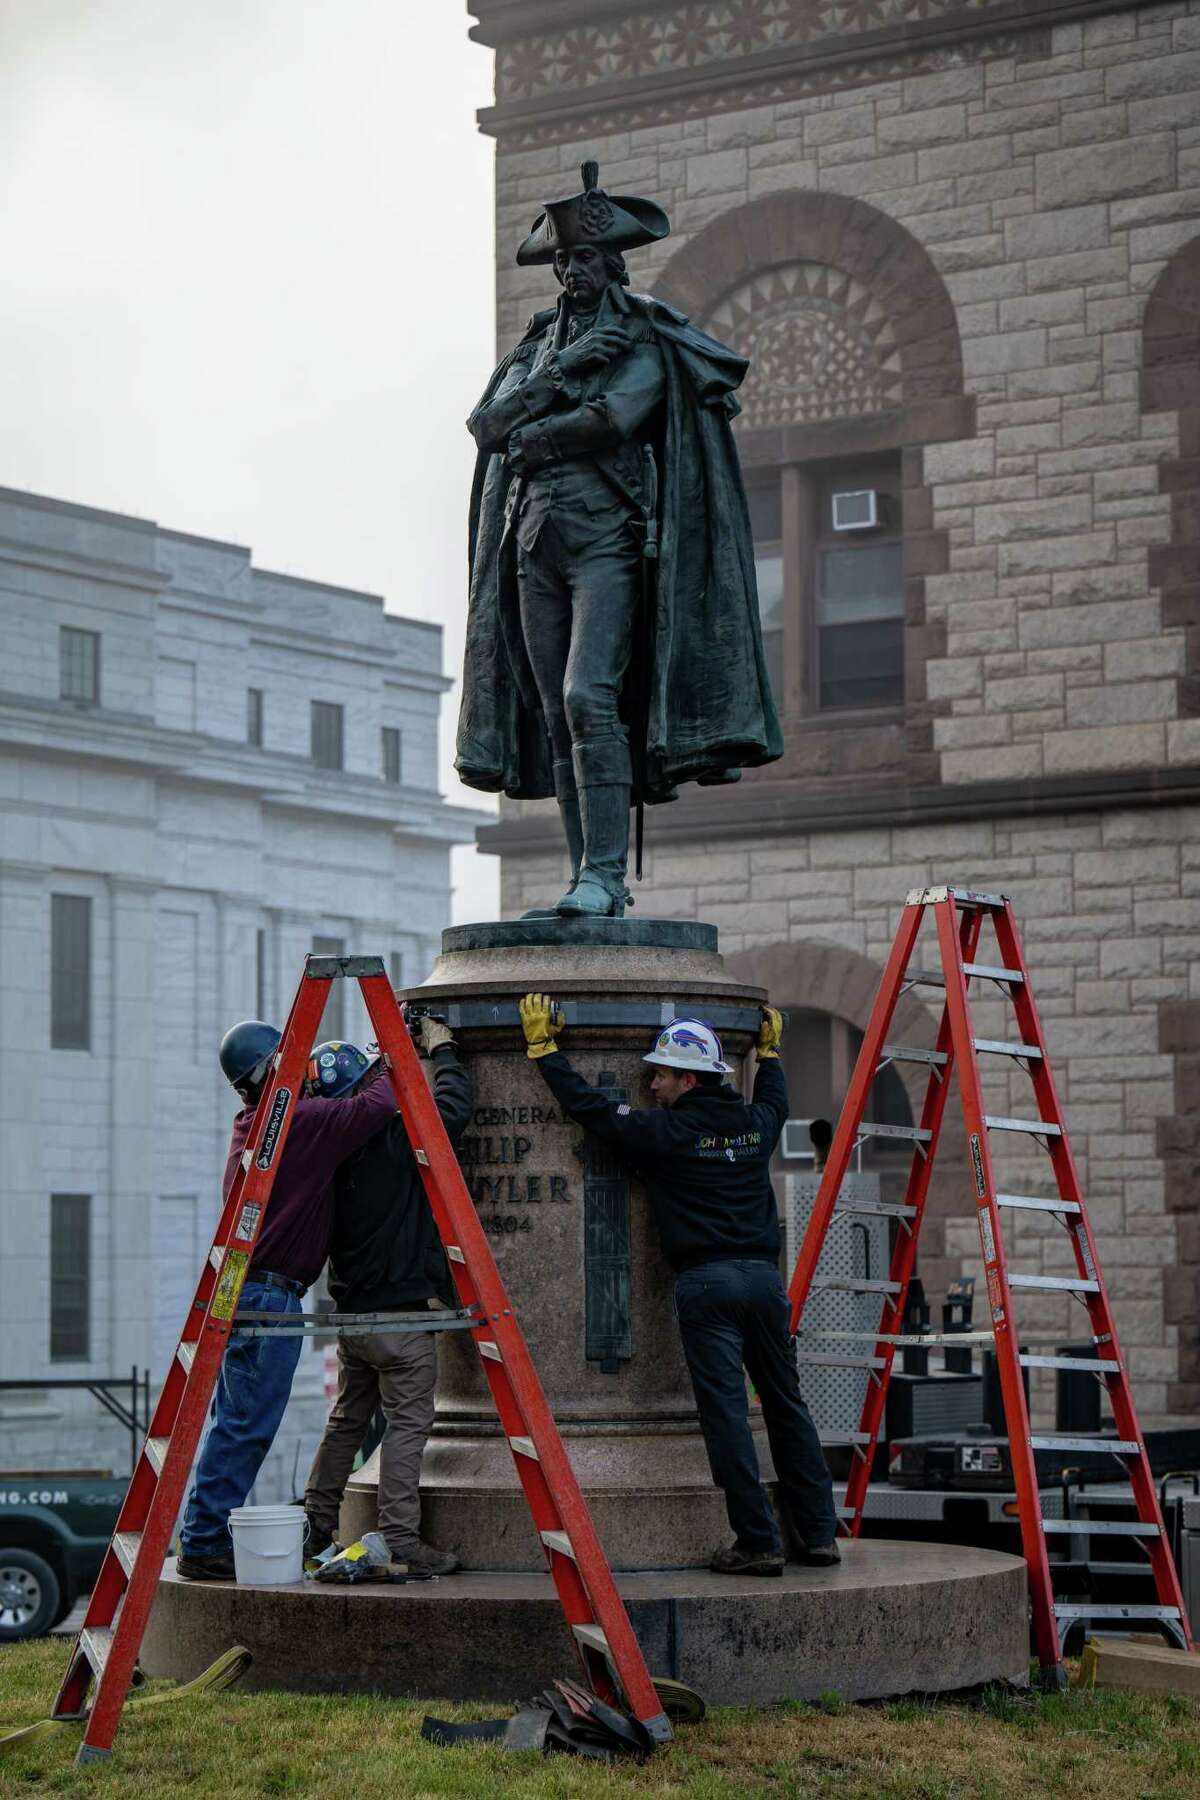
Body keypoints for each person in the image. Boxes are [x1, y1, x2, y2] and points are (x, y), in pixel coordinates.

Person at [457, 159, 782, 919]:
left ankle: (606, 874)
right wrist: (562, 375)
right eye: (564, 259)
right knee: (551, 714)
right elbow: (487, 427)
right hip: (534, 547)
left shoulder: (640, 335)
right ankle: (583, 876)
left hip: (607, 540)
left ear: (612, 265)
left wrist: (537, 435)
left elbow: (618, 419)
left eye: (586, 259)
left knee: (586, 696)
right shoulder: (543, 348)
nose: (572, 270)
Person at [517, 992, 839, 1577]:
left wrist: (545, 1051)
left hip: (707, 1286)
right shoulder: (752, 1127)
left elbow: (591, 1110)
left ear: (690, 1081)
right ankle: (818, 1535)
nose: (652, 1084)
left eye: (661, 1074)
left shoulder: (664, 1133)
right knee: (788, 1407)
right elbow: (774, 1099)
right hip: (765, 1283)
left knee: (727, 1418)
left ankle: (759, 1542)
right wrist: (769, 1055)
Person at [177, 1019, 399, 1581]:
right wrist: (389, 1058)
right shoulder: (295, 1123)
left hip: (242, 1285)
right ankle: (204, 1541)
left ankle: (202, 1534)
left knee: (234, 1419)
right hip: (268, 1292)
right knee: (247, 1423)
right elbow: (375, 1107)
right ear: (272, 1068)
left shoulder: (253, 1123)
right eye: (292, 1056)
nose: (305, 1067)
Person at [303, 1014, 472, 1576]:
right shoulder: (392, 1138)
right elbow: (450, 1114)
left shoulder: (329, 1149)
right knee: (407, 1426)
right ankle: (401, 1537)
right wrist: (445, 1054)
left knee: (347, 1421)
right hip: (400, 1318)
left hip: (352, 1317)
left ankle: (316, 1525)